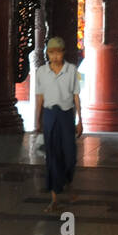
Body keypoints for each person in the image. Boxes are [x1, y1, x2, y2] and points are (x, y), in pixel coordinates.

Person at [32, 36, 83, 212]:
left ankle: (67, 181)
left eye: (58, 52)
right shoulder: (41, 72)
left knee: (70, 156)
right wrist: (37, 119)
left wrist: (80, 120)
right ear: (47, 54)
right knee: (52, 156)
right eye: (51, 53)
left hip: (66, 115)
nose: (55, 56)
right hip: (49, 115)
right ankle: (54, 198)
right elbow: (39, 97)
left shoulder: (71, 70)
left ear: (63, 53)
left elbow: (76, 95)